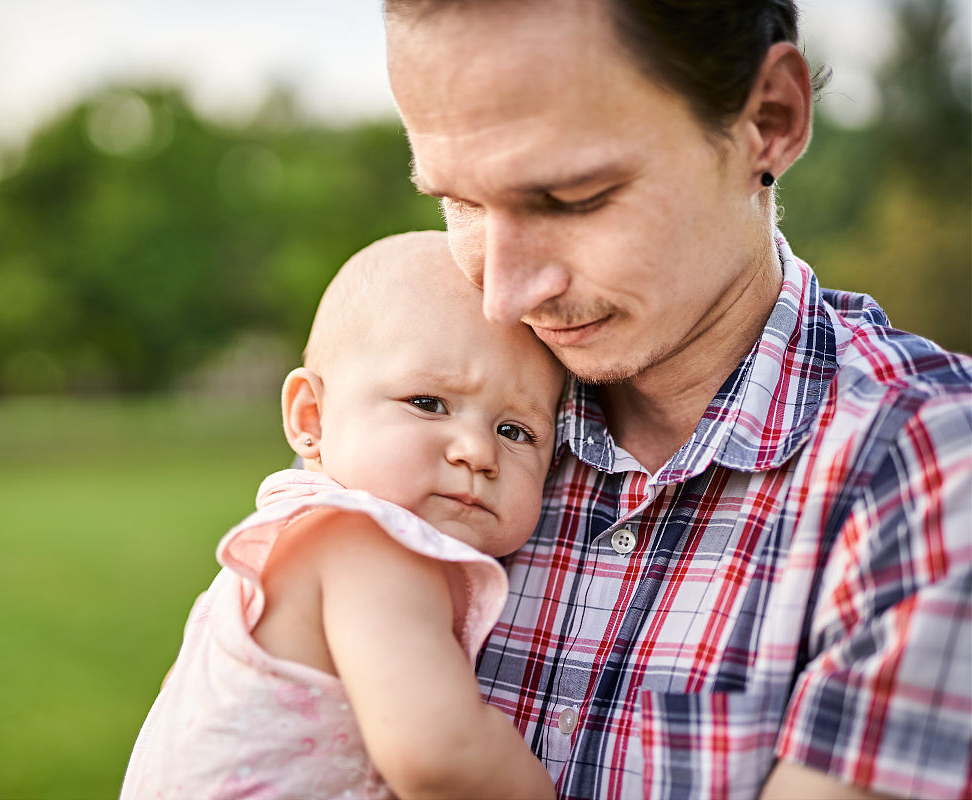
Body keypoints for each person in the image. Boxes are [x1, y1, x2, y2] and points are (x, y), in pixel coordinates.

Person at [384, 1, 971, 799]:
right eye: (460, 203)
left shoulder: (932, 472)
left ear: (770, 119)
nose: (507, 293)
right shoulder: (421, 408)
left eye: (573, 197)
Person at [119, 231, 564, 799]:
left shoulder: (289, 539)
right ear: (312, 417)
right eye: (428, 403)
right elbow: (440, 757)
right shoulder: (368, 544)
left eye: (515, 431)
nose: (477, 452)